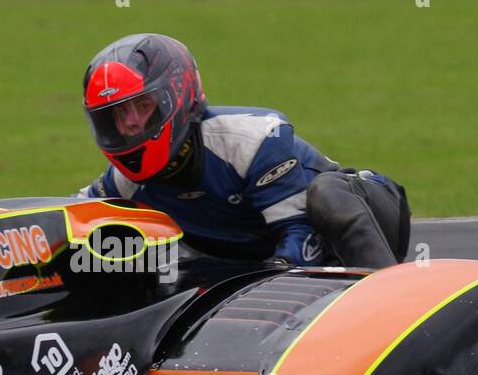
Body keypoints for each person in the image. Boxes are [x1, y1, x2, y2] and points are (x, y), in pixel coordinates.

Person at [78, 33, 409, 268]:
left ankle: (393, 301)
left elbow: (301, 236)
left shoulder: (253, 137)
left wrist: (274, 275)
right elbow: (74, 220)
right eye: (120, 113)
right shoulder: (123, 183)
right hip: (260, 265)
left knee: (327, 193)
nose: (132, 123)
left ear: (174, 97)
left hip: (370, 218)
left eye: (143, 106)